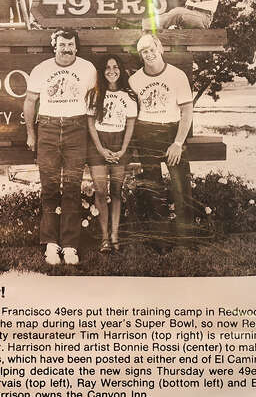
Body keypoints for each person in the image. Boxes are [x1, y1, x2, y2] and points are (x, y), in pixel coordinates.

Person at [23, 29, 97, 266]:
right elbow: (30, 102)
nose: (66, 49)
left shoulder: (88, 69)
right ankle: (51, 244)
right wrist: (31, 134)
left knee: (73, 188)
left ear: (76, 47)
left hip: (77, 128)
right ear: (55, 46)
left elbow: (93, 103)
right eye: (62, 44)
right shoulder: (41, 69)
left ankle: (70, 245)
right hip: (48, 128)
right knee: (50, 187)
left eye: (70, 45)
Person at [129, 32, 194, 251]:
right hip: (146, 133)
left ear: (160, 49)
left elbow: (187, 111)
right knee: (153, 187)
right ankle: (161, 240)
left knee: (180, 185)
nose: (148, 54)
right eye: (143, 51)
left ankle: (186, 239)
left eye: (151, 49)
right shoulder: (135, 80)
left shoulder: (177, 76)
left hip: (171, 132)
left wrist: (177, 143)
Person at [86, 54, 137, 254]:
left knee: (116, 191)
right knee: (100, 191)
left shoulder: (128, 95)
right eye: (107, 67)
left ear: (121, 70)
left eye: (115, 67)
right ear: (102, 71)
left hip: (119, 143)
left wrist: (123, 149)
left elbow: (130, 124)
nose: (111, 71)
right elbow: (91, 123)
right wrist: (100, 149)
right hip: (98, 144)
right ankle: (104, 238)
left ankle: (115, 236)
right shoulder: (94, 94)